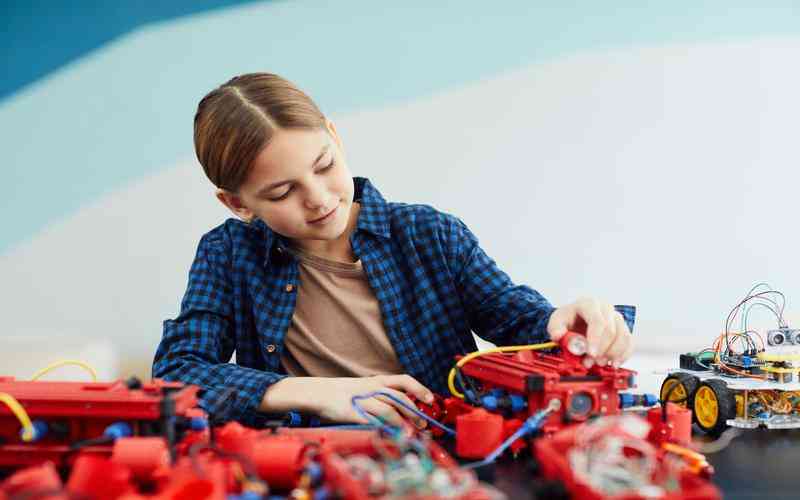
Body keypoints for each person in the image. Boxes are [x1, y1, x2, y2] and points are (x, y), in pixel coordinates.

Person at [152, 73, 635, 429]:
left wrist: (561, 322)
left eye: (324, 165)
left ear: (336, 137)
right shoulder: (226, 253)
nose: (318, 198)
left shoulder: (430, 234)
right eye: (281, 193)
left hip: (444, 447)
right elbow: (178, 370)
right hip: (305, 454)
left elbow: (517, 320)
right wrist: (324, 394)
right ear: (237, 203)